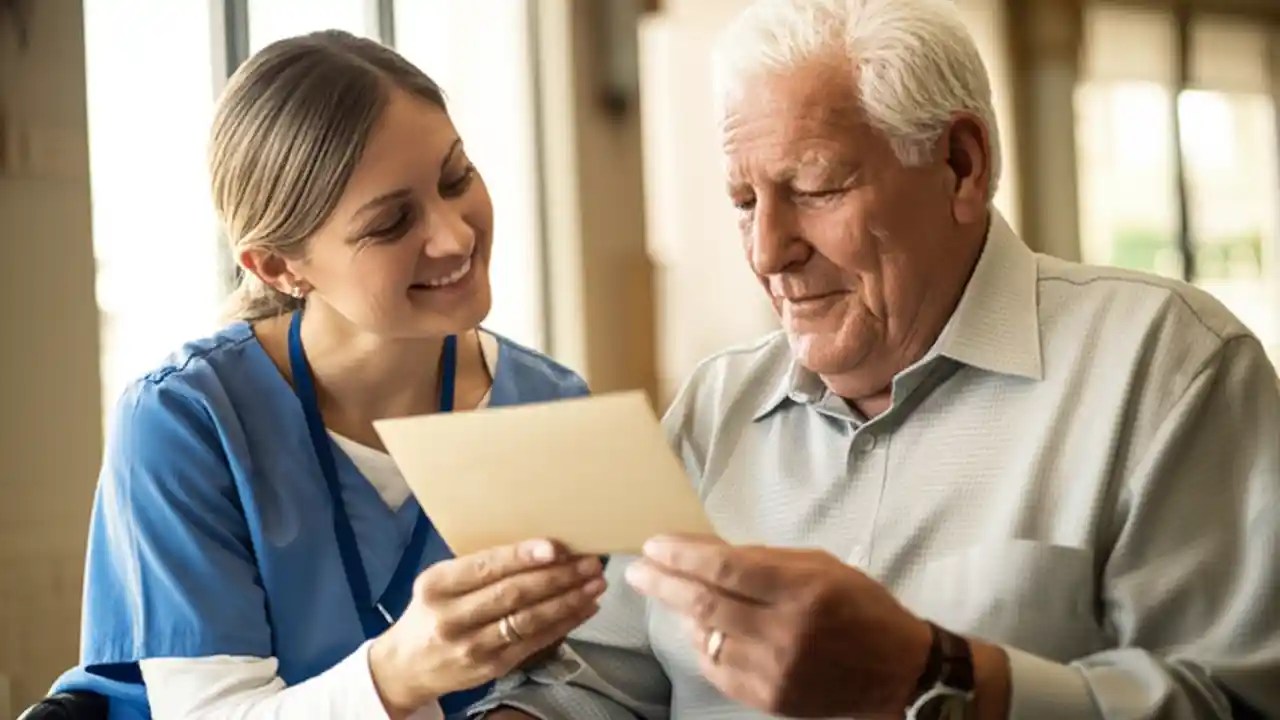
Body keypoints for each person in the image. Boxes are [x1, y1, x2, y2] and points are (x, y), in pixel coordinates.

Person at [473, 0, 1280, 718]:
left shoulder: (1169, 365)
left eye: (817, 189)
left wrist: (932, 676)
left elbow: (1239, 700)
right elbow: (600, 683)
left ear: (962, 166)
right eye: (745, 202)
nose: (768, 252)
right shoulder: (715, 404)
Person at [48, 31, 607, 720]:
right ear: (280, 268)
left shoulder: (551, 411)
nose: (455, 236)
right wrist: (401, 672)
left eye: (456, 178)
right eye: (392, 222)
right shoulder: (186, 420)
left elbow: (589, 680)